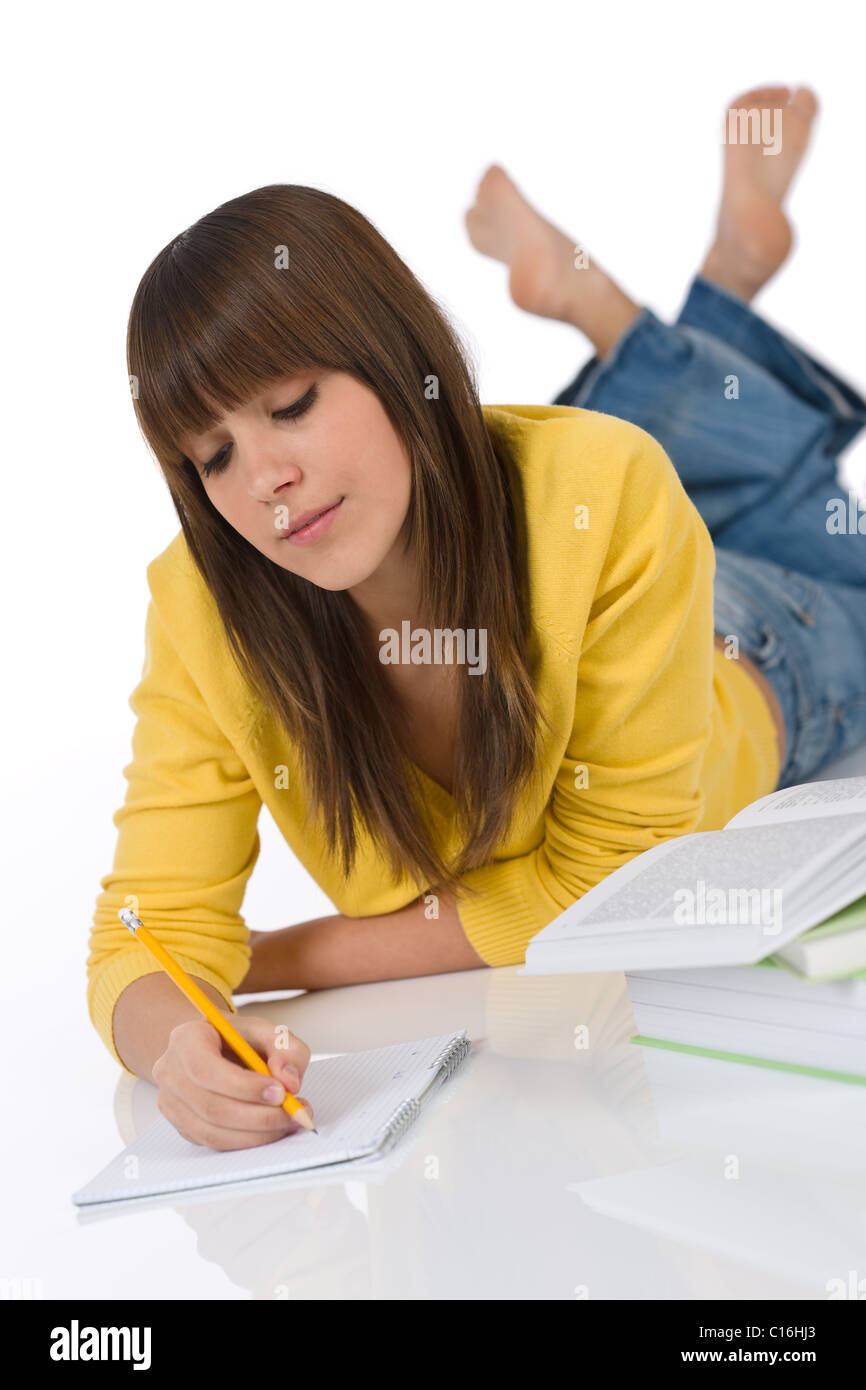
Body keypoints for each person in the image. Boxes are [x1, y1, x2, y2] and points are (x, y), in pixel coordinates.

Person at [88, 84, 866, 1151]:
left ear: (390, 353)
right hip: (565, 527)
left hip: (762, 646)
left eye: (292, 404)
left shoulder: (599, 494)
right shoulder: (200, 602)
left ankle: (662, 292)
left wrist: (282, 958)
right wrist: (180, 1037)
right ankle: (700, 280)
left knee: (789, 521)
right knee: (606, 470)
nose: (264, 477)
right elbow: (144, 934)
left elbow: (606, 889)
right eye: (213, 455)